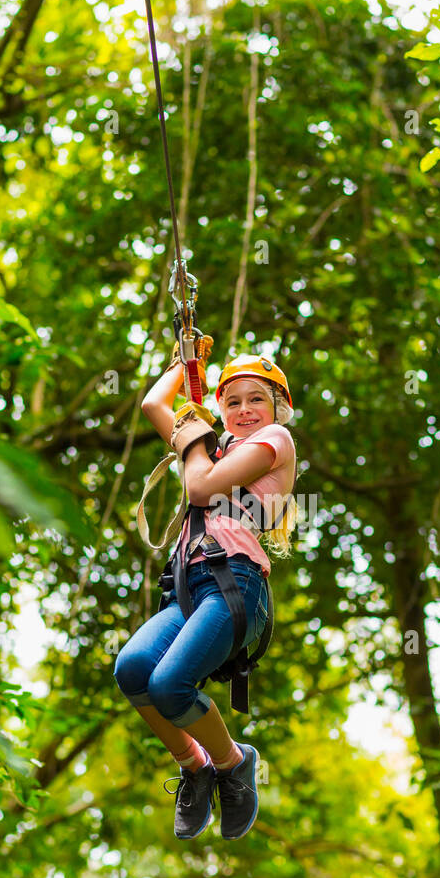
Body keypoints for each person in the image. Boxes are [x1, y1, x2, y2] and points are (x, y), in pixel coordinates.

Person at [113, 347, 297, 841]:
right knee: (132, 669)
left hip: (236, 585)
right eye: (231, 402)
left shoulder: (274, 440)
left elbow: (199, 489)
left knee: (170, 684)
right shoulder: (214, 449)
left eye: (255, 399)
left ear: (278, 407)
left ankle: (234, 763)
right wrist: (183, 362)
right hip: (188, 591)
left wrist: (193, 439)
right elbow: (155, 406)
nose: (243, 410)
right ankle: (195, 767)